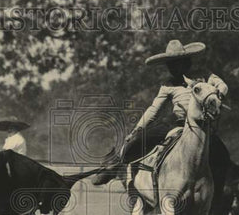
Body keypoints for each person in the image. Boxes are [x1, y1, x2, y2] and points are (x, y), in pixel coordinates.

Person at [93, 39, 228, 184]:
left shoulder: (203, 74)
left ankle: (220, 196)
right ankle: (114, 166)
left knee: (223, 155)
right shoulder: (168, 85)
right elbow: (153, 110)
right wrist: (137, 130)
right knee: (138, 140)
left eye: (176, 62)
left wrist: (218, 95)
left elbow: (222, 85)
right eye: (170, 64)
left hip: (203, 126)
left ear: (185, 61)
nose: (173, 67)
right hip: (179, 125)